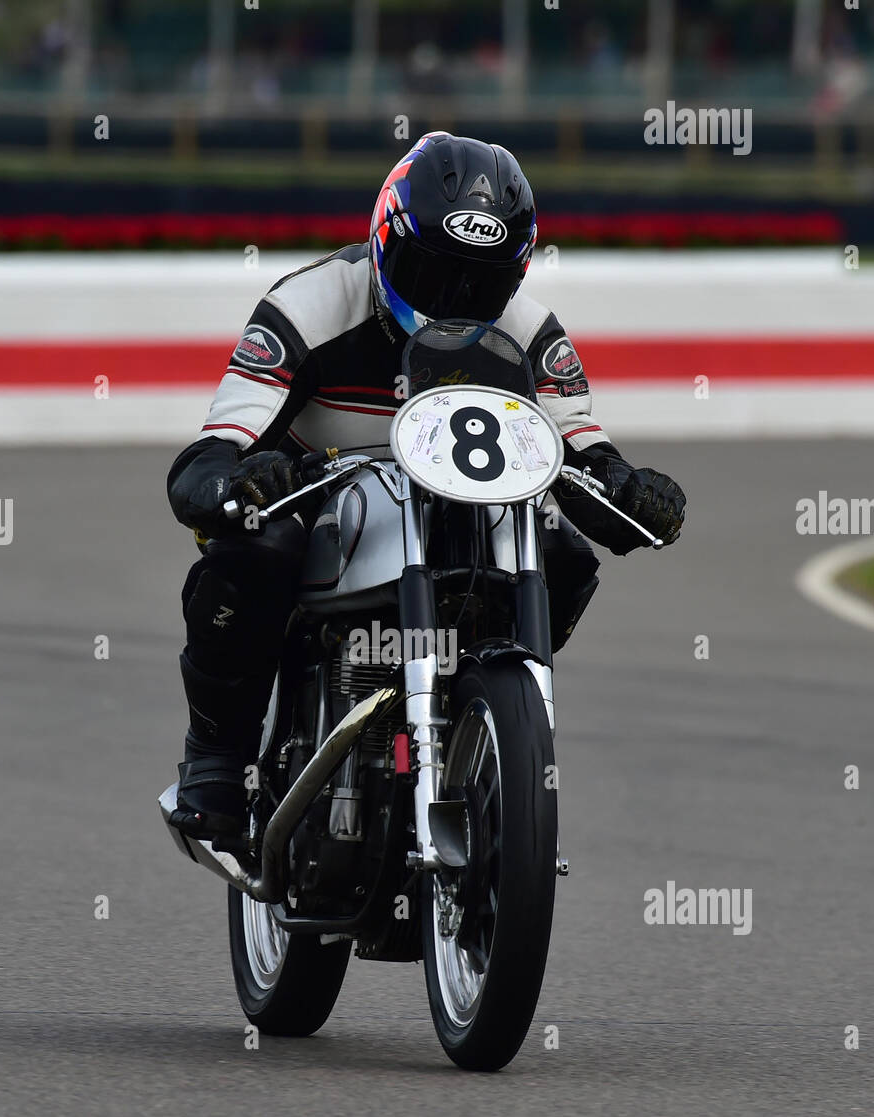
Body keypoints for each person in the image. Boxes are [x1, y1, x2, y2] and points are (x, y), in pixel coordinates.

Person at [167, 131, 686, 844]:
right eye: (433, 271)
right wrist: (237, 479)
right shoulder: (311, 303)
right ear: (386, 239)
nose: (452, 298)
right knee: (255, 549)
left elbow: (581, 448)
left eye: (479, 282)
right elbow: (215, 449)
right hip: (321, 494)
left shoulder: (532, 334)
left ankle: (486, 719)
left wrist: (630, 492)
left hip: (463, 503)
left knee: (566, 556)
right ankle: (217, 760)